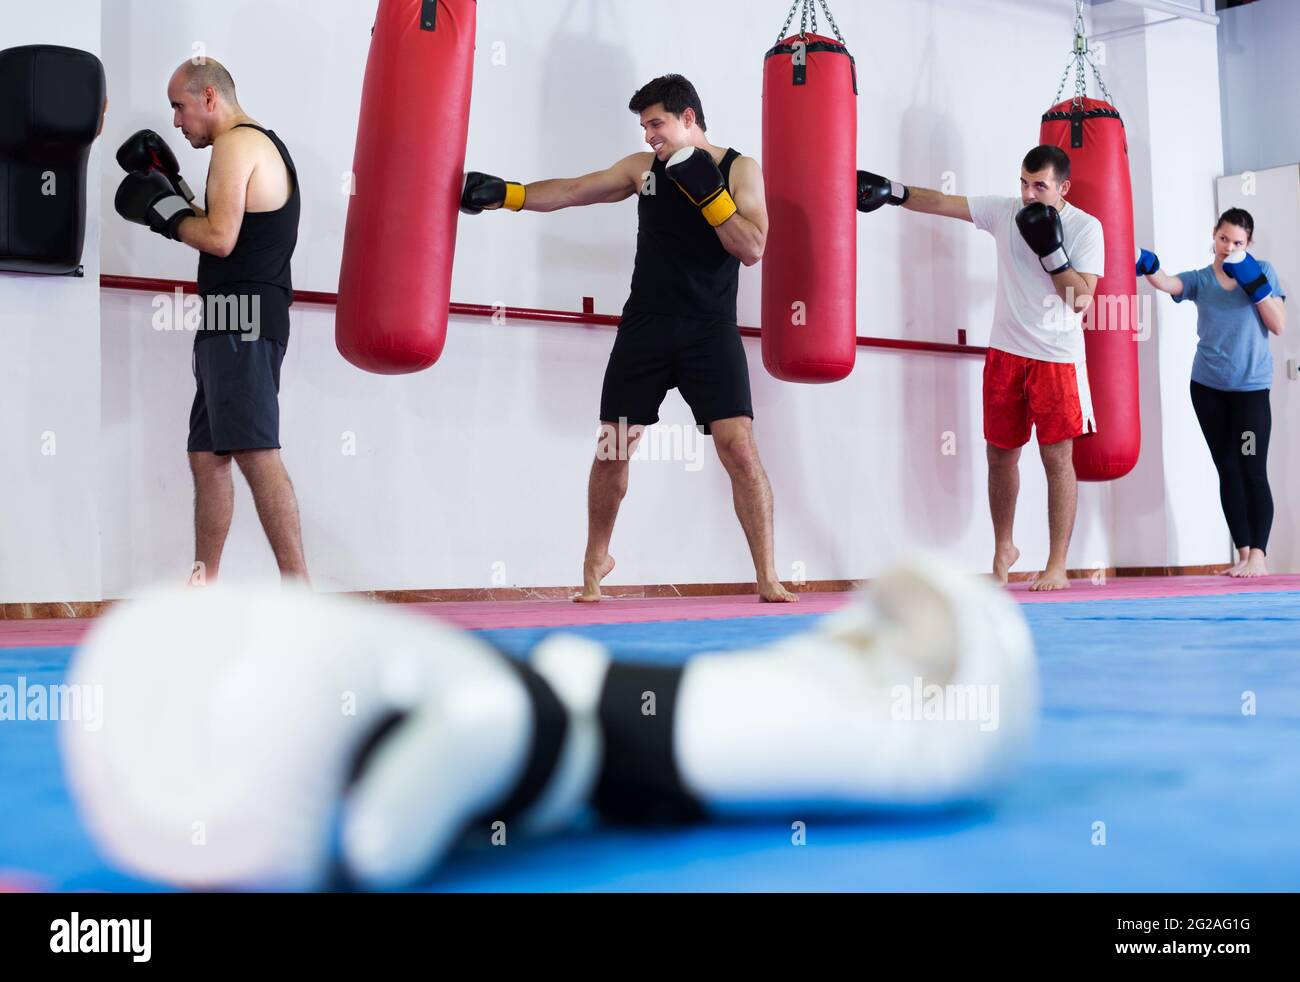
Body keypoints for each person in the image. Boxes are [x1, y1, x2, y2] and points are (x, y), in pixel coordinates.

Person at [61, 554, 1037, 891]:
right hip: (583, 725)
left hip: (579, 717)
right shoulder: (459, 716)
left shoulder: (457, 713)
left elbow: (385, 838)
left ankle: (881, 663)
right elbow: (385, 838)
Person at [460, 75, 796, 604]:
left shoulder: (739, 169)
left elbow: (752, 247)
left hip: (709, 330)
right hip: (646, 327)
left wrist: (710, 195)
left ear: (689, 118)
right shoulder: (644, 170)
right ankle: (596, 559)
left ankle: (767, 574)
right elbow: (574, 190)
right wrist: (510, 195)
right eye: (644, 126)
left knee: (739, 447)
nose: (649, 137)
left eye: (656, 124)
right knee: (614, 448)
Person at [858, 147, 1105, 591]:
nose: (1029, 195)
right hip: (1006, 352)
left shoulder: (1087, 228)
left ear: (1063, 187)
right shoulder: (1006, 211)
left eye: (1040, 186)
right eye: (1024, 183)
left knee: (1056, 459)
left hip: (1057, 358)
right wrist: (895, 192)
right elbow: (944, 203)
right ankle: (1004, 546)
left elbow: (1081, 301)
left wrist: (1053, 254)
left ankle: (1057, 564)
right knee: (1000, 454)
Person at [114, 58, 308, 585]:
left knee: (253, 449)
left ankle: (299, 589)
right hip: (227, 312)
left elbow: (219, 238)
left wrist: (167, 216)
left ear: (208, 98)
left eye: (179, 106)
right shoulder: (247, 146)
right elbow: (229, 231)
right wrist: (175, 192)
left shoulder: (237, 143)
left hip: (244, 314)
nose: (176, 121)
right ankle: (206, 582)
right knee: (207, 455)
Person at [1137, 208, 1287, 576]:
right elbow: (1170, 283)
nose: (1228, 247)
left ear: (1248, 244)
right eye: (1224, 239)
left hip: (1250, 393)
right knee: (1228, 469)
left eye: (1237, 242)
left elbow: (1278, 324)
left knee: (1252, 468)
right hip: (1208, 390)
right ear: (1214, 236)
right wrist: (1145, 261)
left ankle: (1260, 558)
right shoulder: (1203, 279)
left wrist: (1254, 285)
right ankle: (1243, 554)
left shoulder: (1263, 271)